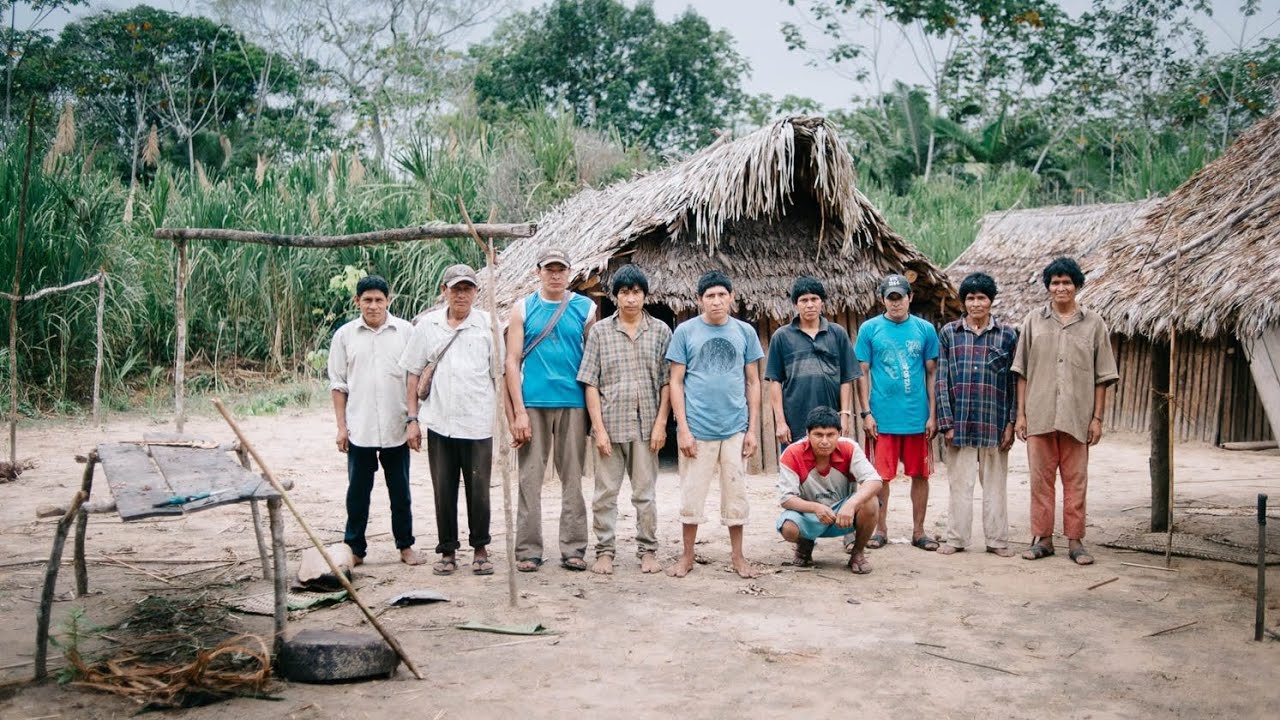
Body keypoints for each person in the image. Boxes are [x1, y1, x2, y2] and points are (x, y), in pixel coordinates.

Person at [1013, 256, 1118, 565]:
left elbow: (1102, 376)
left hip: (1077, 416)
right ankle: (1043, 540)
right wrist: (1021, 415)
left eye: (1066, 282)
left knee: (1076, 481)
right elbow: (1022, 372)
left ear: (1077, 286)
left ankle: (1075, 541)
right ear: (1048, 287)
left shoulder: (1094, 323)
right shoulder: (1033, 321)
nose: (1061, 287)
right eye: (1055, 282)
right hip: (1039, 414)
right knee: (1040, 480)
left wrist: (1097, 418)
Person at [402, 264, 502, 576]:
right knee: (443, 489)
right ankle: (447, 550)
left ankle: (480, 548)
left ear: (475, 292)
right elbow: (413, 373)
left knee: (479, 488)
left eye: (467, 288)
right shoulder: (427, 326)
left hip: (478, 423)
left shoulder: (488, 326)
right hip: (440, 422)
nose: (461, 294)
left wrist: (510, 418)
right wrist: (412, 419)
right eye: (455, 288)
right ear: (444, 291)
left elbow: (499, 374)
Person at [666, 270, 763, 579]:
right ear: (699, 301)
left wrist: (752, 429)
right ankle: (688, 555)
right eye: (710, 296)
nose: (717, 301)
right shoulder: (685, 332)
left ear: (731, 297)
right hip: (698, 428)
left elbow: (753, 381)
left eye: (722, 295)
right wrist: (683, 428)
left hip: (735, 428)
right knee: (691, 495)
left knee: (736, 494)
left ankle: (737, 556)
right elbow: (676, 382)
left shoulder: (745, 332)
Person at [505, 247, 597, 572]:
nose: (555, 275)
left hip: (573, 402)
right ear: (538, 272)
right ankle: (528, 550)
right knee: (530, 478)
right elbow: (512, 361)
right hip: (533, 402)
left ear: (569, 273)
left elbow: (593, 360)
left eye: (561, 269)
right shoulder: (523, 308)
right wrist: (517, 412)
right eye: (549, 269)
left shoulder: (585, 309)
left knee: (572, 478)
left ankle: (573, 548)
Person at [577, 264, 671, 575]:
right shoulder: (601, 332)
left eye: (636, 292)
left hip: (646, 427)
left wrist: (660, 424)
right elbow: (590, 382)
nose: (630, 299)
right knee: (605, 494)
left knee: (645, 494)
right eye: (624, 293)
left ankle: (647, 550)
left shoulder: (660, 331)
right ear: (615, 296)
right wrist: (598, 429)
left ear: (645, 295)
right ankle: (605, 551)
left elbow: (666, 382)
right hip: (611, 427)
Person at [328, 274, 421, 566]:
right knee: (357, 494)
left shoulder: (405, 332)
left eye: (379, 300)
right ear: (357, 301)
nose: (373, 306)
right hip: (361, 428)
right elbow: (338, 384)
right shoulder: (344, 336)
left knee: (401, 492)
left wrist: (412, 421)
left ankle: (405, 546)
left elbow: (413, 379)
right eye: (367, 300)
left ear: (388, 301)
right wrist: (342, 427)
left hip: (397, 426)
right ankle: (355, 549)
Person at [935, 272, 1019, 557]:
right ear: (964, 302)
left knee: (995, 487)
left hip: (994, 425)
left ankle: (996, 540)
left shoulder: (1007, 335)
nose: (976, 303)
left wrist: (1010, 422)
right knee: (959, 485)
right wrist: (946, 423)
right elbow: (942, 380)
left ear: (991, 301)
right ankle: (956, 539)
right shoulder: (949, 333)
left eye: (981, 298)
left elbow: (1013, 384)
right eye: (970, 298)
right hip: (960, 424)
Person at [854, 273, 940, 551]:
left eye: (900, 297)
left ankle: (919, 531)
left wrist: (933, 415)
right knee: (880, 478)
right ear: (883, 300)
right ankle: (880, 530)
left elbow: (931, 374)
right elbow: (862, 373)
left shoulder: (925, 330)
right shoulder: (869, 329)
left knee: (920, 475)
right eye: (890, 298)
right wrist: (866, 413)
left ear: (910, 298)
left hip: (917, 416)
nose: (896, 303)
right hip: (882, 418)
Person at [776, 406, 882, 574]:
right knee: (789, 528)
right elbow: (786, 499)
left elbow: (875, 481)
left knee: (871, 502)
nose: (824, 441)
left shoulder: (850, 448)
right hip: (809, 514)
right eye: (818, 435)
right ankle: (805, 544)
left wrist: (851, 504)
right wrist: (816, 508)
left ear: (839, 433)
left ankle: (858, 553)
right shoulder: (792, 453)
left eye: (830, 435)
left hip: (843, 513)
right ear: (807, 434)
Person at [766, 276, 861, 445]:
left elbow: (846, 379)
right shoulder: (782, 337)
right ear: (795, 304)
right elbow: (775, 381)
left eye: (814, 299)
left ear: (822, 302)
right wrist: (780, 422)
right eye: (804, 300)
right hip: (795, 421)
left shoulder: (837, 333)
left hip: (831, 422)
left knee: (832, 470)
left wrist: (844, 415)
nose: (809, 304)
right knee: (797, 469)